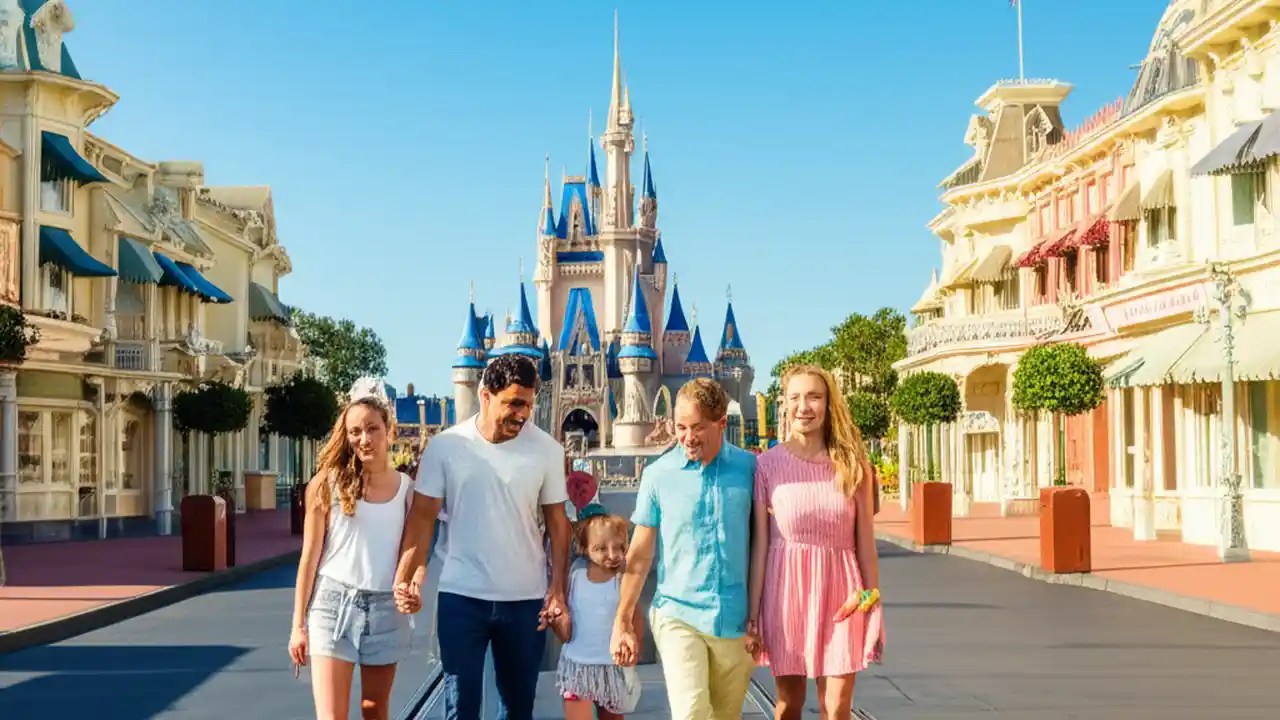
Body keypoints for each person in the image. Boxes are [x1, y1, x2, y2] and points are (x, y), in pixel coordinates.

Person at [393, 354, 572, 720]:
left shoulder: (547, 451)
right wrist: (404, 576)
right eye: (513, 403)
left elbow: (558, 524)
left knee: (518, 710)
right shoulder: (446, 447)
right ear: (485, 395)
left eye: (528, 405)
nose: (522, 414)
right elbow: (422, 517)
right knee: (461, 708)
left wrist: (557, 590)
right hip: (462, 596)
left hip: (525, 600)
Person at [611, 378, 759, 720]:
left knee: (724, 716)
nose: (688, 437)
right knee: (691, 712)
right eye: (681, 427)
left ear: (721, 423)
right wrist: (622, 620)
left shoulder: (750, 469)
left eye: (698, 427)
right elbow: (640, 555)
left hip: (735, 619)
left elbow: (765, 544)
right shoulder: (658, 475)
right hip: (677, 613)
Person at [747, 364, 885, 720]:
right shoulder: (767, 466)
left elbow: (866, 544)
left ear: (828, 403)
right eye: (795, 397)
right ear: (784, 404)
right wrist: (753, 614)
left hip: (844, 594)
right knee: (788, 704)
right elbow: (761, 546)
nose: (804, 406)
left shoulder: (854, 466)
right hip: (786, 593)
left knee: (836, 706)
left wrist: (872, 602)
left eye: (814, 397)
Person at [288, 379, 418, 720]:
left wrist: (414, 586)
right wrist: (298, 625)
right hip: (332, 606)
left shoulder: (408, 490)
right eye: (355, 432)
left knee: (374, 711)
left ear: (389, 430)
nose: (364, 439)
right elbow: (309, 558)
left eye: (372, 429)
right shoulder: (326, 484)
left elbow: (414, 551)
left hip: (386, 608)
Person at [549, 504, 643, 719]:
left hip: (612, 668)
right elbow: (566, 630)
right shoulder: (575, 578)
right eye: (601, 548)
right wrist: (556, 620)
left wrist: (634, 652)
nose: (612, 554)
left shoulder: (623, 580)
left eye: (619, 547)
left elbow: (635, 618)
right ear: (584, 548)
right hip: (577, 668)